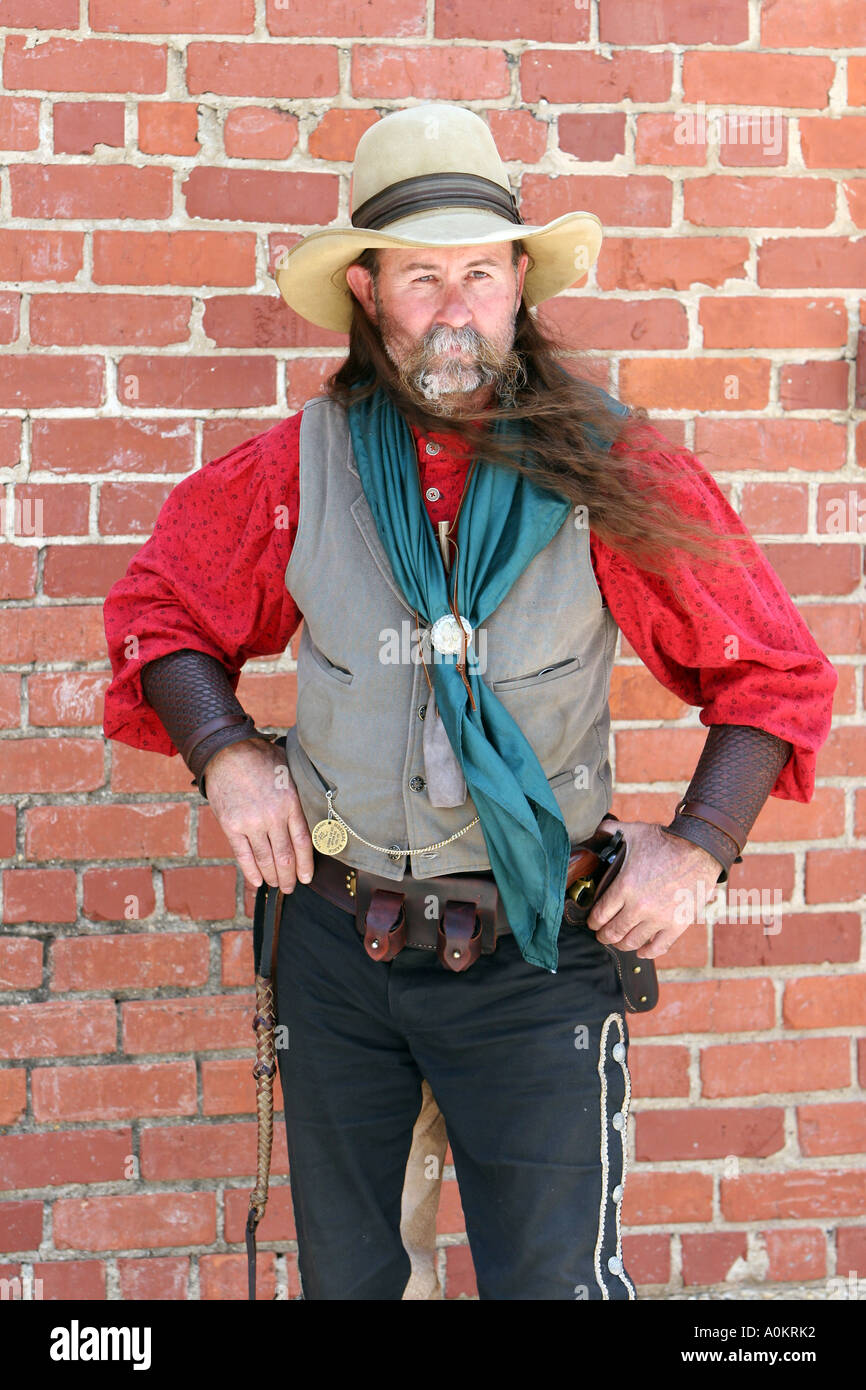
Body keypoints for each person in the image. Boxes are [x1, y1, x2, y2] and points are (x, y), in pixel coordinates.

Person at [102, 103, 837, 1301]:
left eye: (482, 273)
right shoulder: (302, 466)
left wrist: (699, 844)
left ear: (518, 287)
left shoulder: (609, 470)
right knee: (353, 1285)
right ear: (366, 293)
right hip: (340, 951)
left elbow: (771, 671)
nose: (456, 307)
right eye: (422, 275)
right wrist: (226, 753)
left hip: (533, 957)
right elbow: (159, 612)